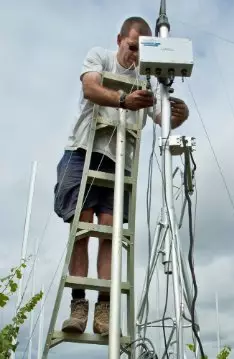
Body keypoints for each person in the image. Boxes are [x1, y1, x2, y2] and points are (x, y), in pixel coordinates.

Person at [54, 16, 189, 336]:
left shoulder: (149, 78)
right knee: (81, 226)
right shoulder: (100, 57)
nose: (135, 57)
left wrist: (177, 116)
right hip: (83, 151)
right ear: (119, 40)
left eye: (141, 51)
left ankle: (103, 308)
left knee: (109, 233)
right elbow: (90, 87)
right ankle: (78, 305)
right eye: (131, 48)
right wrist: (124, 100)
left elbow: (162, 118)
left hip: (120, 163)